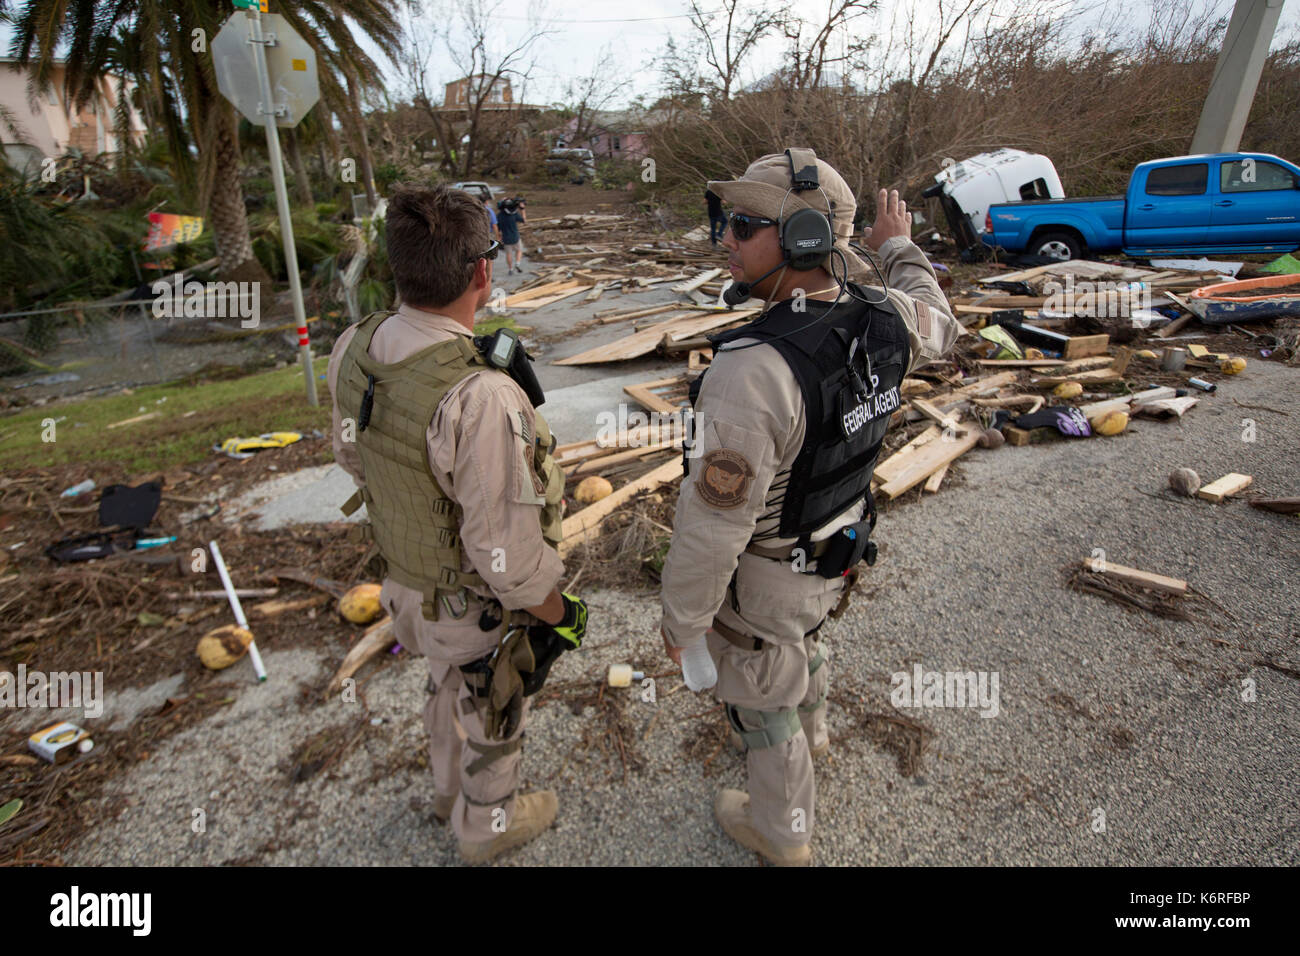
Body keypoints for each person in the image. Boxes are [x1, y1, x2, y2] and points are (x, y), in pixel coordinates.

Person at [659, 149, 961, 866]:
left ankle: (783, 833)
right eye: (724, 220)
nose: (724, 239)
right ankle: (817, 732)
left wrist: (684, 622)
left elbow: (712, 528)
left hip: (767, 575)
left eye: (743, 223)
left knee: (762, 702)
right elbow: (942, 323)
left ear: (802, 239)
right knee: (801, 642)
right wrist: (896, 248)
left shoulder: (749, 370)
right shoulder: (885, 314)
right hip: (837, 546)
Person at [328, 184, 588, 864]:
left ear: (400, 267)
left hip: (405, 590)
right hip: (471, 608)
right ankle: (483, 828)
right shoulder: (482, 394)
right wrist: (557, 610)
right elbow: (503, 552)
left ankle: (448, 794)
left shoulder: (353, 347)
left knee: (447, 684)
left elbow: (351, 456)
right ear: (482, 271)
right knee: (494, 708)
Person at [497, 197, 527, 273]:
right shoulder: (514, 214)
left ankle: (510, 269)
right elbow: (524, 220)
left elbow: (498, 229)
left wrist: (499, 238)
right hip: (515, 236)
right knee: (519, 250)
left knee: (508, 254)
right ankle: (517, 263)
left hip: (506, 238)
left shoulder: (500, 215)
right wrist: (522, 209)